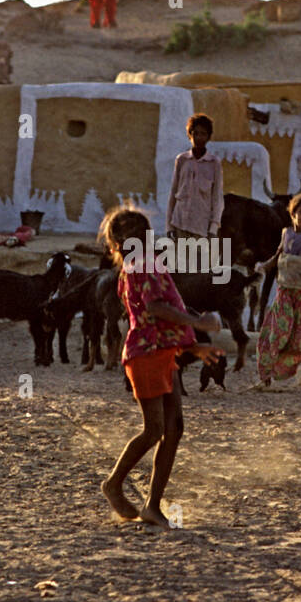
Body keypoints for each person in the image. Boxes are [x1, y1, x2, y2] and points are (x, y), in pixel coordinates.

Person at [98, 205, 222, 527]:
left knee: (173, 429)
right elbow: (154, 309)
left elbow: (158, 313)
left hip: (161, 353)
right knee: (155, 429)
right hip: (147, 354)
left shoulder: (141, 264)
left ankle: (153, 505)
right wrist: (199, 323)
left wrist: (193, 345)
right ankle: (114, 483)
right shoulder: (140, 263)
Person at [252, 193, 301, 390]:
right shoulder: (286, 233)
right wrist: (265, 266)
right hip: (285, 294)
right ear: (292, 213)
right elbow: (279, 255)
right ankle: (267, 375)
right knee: (275, 333)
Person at [166, 114, 223, 240]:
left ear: (208, 137)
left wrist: (213, 228)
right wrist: (169, 227)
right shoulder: (182, 160)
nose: (198, 137)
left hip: (201, 229)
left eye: (203, 134)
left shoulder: (214, 163)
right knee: (179, 260)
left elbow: (217, 199)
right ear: (189, 135)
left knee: (197, 260)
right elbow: (173, 194)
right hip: (179, 224)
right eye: (195, 133)